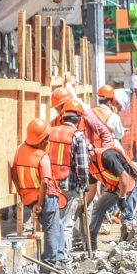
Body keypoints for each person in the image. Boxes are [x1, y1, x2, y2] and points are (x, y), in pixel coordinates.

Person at [11, 119, 65, 269]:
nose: (48, 140)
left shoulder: (20, 150)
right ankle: (49, 264)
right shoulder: (42, 157)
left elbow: (14, 172)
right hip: (45, 199)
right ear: (42, 140)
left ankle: (60, 256)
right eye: (47, 137)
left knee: (57, 226)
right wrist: (40, 204)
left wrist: (21, 192)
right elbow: (45, 182)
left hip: (28, 198)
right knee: (51, 230)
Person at [47, 98, 90, 264]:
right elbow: (82, 166)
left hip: (51, 185)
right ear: (78, 119)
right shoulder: (77, 136)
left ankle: (52, 257)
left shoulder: (51, 132)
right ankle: (63, 257)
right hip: (69, 184)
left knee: (53, 222)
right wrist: (84, 183)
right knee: (66, 222)